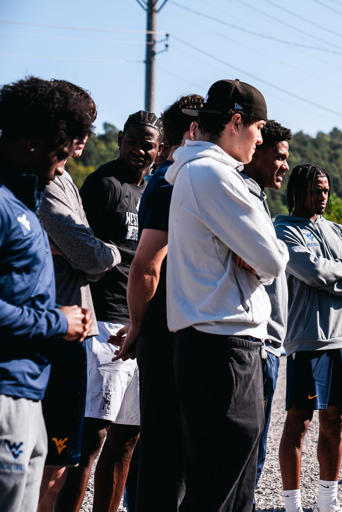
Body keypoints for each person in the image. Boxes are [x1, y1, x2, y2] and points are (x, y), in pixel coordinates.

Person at [165, 79, 288, 512]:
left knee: (231, 487)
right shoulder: (212, 174)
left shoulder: (205, 172)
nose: (260, 140)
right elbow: (273, 260)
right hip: (222, 348)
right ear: (236, 122)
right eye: (258, 129)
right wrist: (260, 255)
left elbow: (265, 257)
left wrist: (256, 253)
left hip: (218, 345)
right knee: (219, 488)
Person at [58, 110, 162, 512]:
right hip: (105, 322)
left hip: (142, 326)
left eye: (148, 145)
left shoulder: (152, 190)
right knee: (92, 437)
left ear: (158, 149)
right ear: (120, 139)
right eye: (133, 141)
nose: (139, 150)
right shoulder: (103, 185)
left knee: (128, 437)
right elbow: (81, 251)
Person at [0, 76, 93, 512]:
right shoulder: (4, 207)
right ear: (36, 143)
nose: (65, 163)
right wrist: (59, 320)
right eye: (63, 149)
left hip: (30, 393)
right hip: (6, 393)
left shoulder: (24, 204)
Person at [110, 94, 204, 511]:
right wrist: (138, 326)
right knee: (166, 452)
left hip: (180, 327)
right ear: (193, 131)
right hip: (167, 331)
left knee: (169, 448)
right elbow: (146, 266)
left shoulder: (184, 178)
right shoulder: (170, 181)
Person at [36, 81, 122, 512]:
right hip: (50, 333)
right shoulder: (42, 181)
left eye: (89, 125)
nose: (86, 135)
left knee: (59, 460)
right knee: (45, 464)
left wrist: (90, 249)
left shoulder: (66, 178)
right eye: (78, 125)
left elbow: (86, 249)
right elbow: (90, 253)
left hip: (74, 334)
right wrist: (97, 249)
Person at [275, 164, 342, 512]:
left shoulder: (340, 231)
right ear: (297, 191)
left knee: (337, 419)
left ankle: (328, 501)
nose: (323, 197)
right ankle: (292, 504)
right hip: (308, 340)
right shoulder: (283, 230)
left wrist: (333, 275)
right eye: (317, 190)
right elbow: (312, 272)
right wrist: (339, 272)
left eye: (327, 191)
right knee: (299, 422)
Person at [240, 120, 291, 490]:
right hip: (255, 344)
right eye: (280, 156)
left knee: (255, 444)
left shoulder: (259, 196)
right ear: (256, 152)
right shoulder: (241, 194)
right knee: (246, 447)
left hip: (269, 345)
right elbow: (260, 260)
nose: (285, 166)